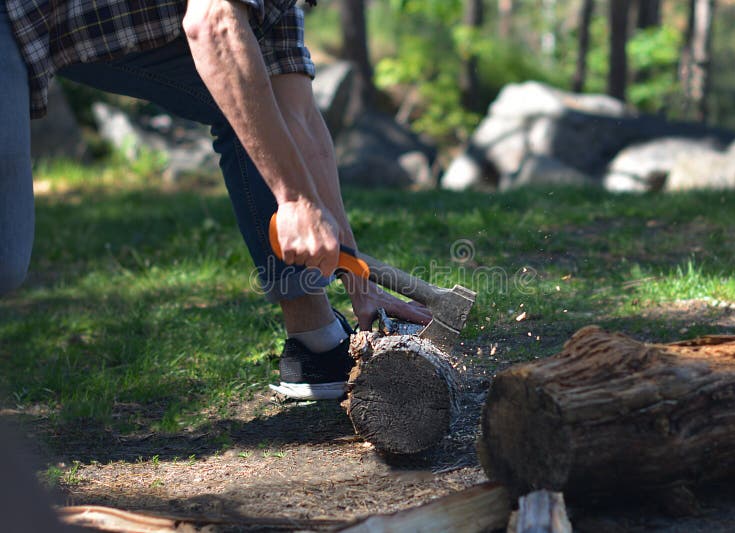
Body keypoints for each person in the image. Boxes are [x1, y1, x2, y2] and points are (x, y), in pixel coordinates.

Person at [0, 0, 431, 400]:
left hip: (62, 27)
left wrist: (357, 277)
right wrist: (296, 199)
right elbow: (212, 24)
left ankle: (316, 343)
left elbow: (295, 113)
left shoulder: (281, 6)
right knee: (4, 259)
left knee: (249, 101)